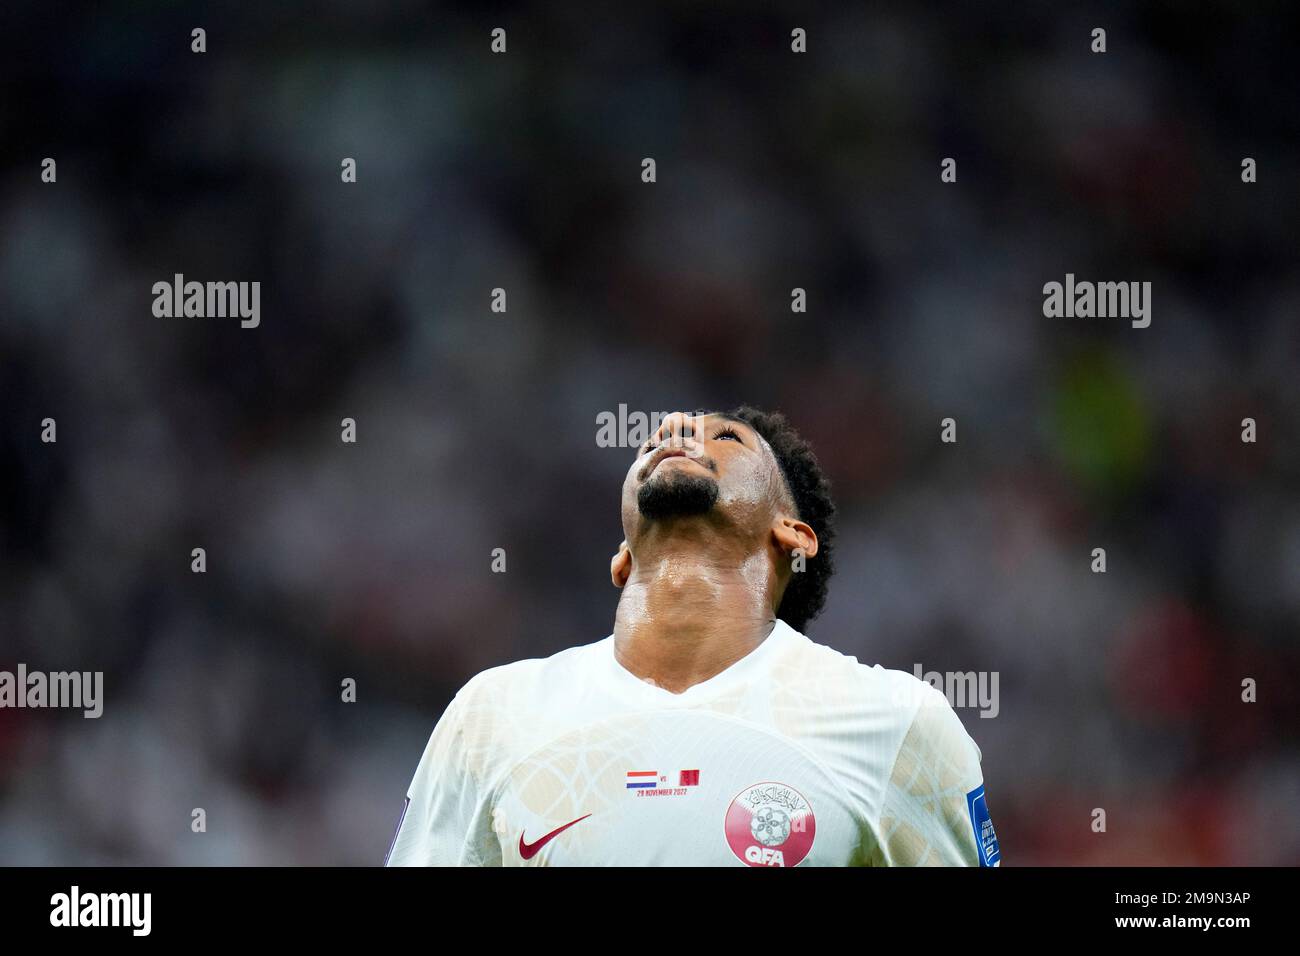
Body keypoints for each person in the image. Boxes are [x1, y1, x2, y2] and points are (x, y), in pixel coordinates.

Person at [386, 407, 998, 866]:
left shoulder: (896, 723)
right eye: (655, 440)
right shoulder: (492, 714)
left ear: (795, 534)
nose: (676, 428)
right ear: (622, 556)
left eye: (726, 438)